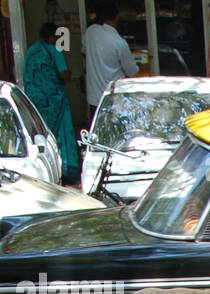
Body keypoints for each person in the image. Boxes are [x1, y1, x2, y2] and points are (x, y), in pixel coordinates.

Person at [24, 22, 81, 185]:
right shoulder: (54, 51)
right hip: (55, 100)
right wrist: (70, 73)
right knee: (61, 135)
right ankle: (67, 170)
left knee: (41, 134)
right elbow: (63, 75)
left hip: (36, 101)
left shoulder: (31, 51)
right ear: (53, 37)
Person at [83, 2, 138, 121]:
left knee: (96, 131)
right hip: (114, 97)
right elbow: (132, 71)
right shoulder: (119, 42)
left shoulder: (90, 32)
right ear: (116, 18)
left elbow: (84, 52)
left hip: (94, 95)